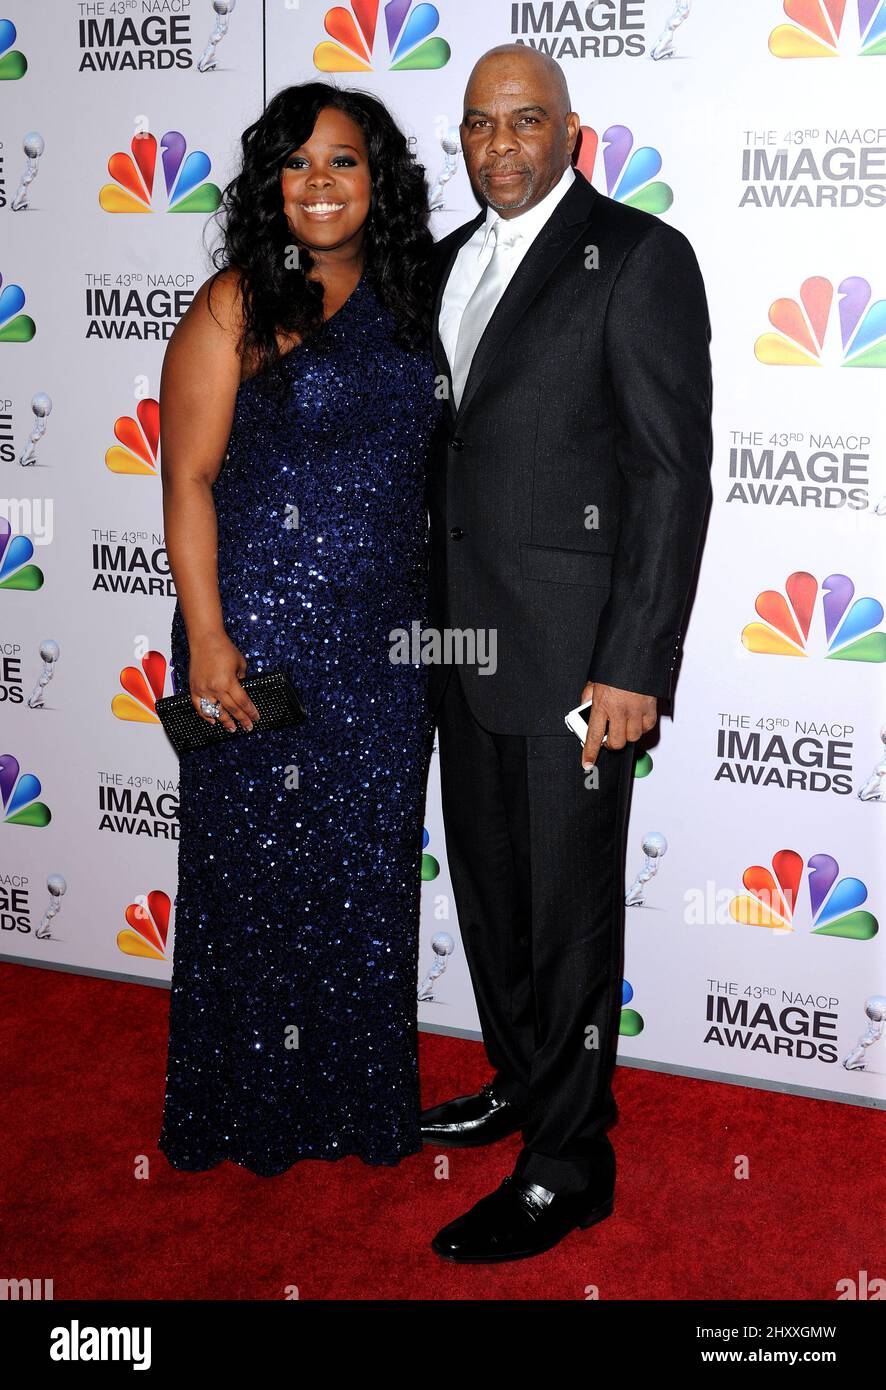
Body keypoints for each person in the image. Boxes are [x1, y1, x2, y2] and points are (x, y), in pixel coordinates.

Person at [422, 45, 713, 1261]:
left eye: (525, 121)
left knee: (572, 913)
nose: (501, 146)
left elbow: (666, 473)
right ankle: (520, 1081)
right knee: (492, 901)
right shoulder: (440, 264)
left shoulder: (638, 257)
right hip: (459, 648)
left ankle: (569, 1159)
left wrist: (634, 662)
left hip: (579, 666)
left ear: (573, 132)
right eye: (480, 125)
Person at [157, 84, 440, 1176]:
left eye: (345, 161)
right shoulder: (236, 302)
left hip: (383, 646)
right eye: (298, 162)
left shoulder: (411, 299)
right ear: (272, 182)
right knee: (256, 878)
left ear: (381, 183)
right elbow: (185, 476)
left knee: (363, 884)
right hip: (259, 635)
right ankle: (251, 1112)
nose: (321, 182)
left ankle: (354, 1106)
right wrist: (211, 636)